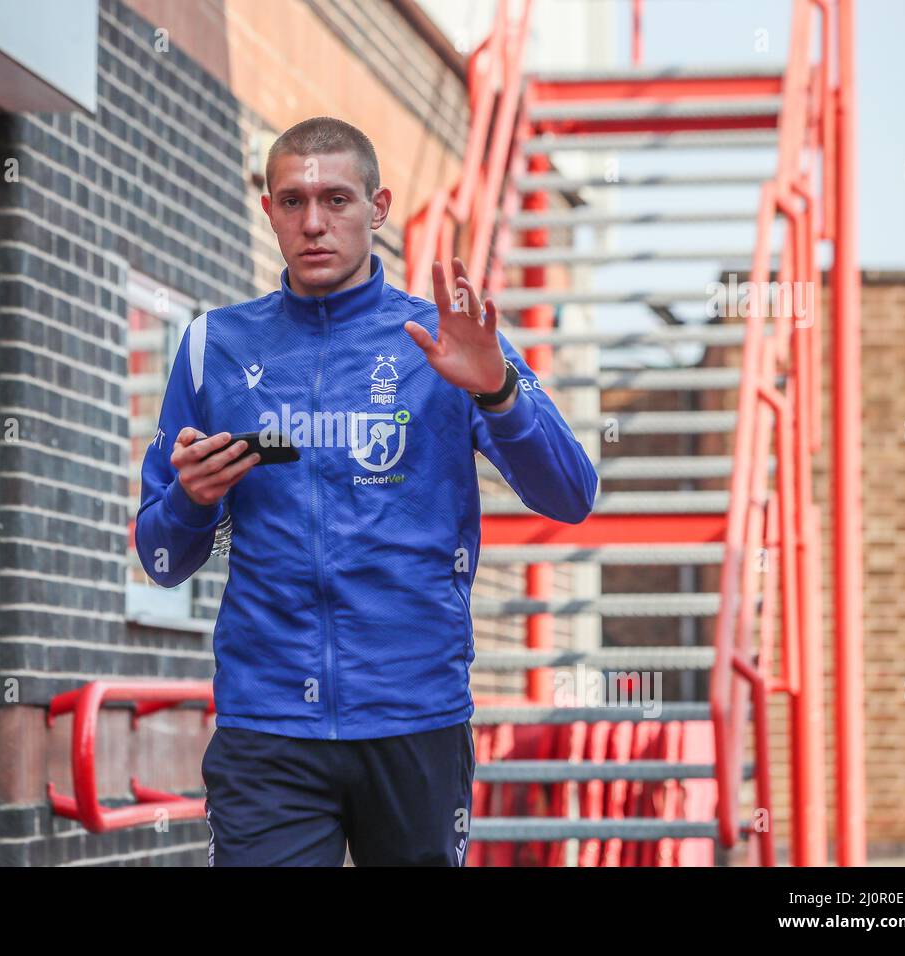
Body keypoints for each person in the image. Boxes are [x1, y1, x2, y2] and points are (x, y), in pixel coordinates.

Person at [135, 116, 598, 866]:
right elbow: (159, 563)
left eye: (337, 200)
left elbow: (572, 495)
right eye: (291, 202)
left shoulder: (445, 341)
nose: (314, 222)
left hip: (414, 717)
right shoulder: (211, 347)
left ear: (378, 208)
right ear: (268, 211)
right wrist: (189, 503)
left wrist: (501, 393)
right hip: (268, 728)